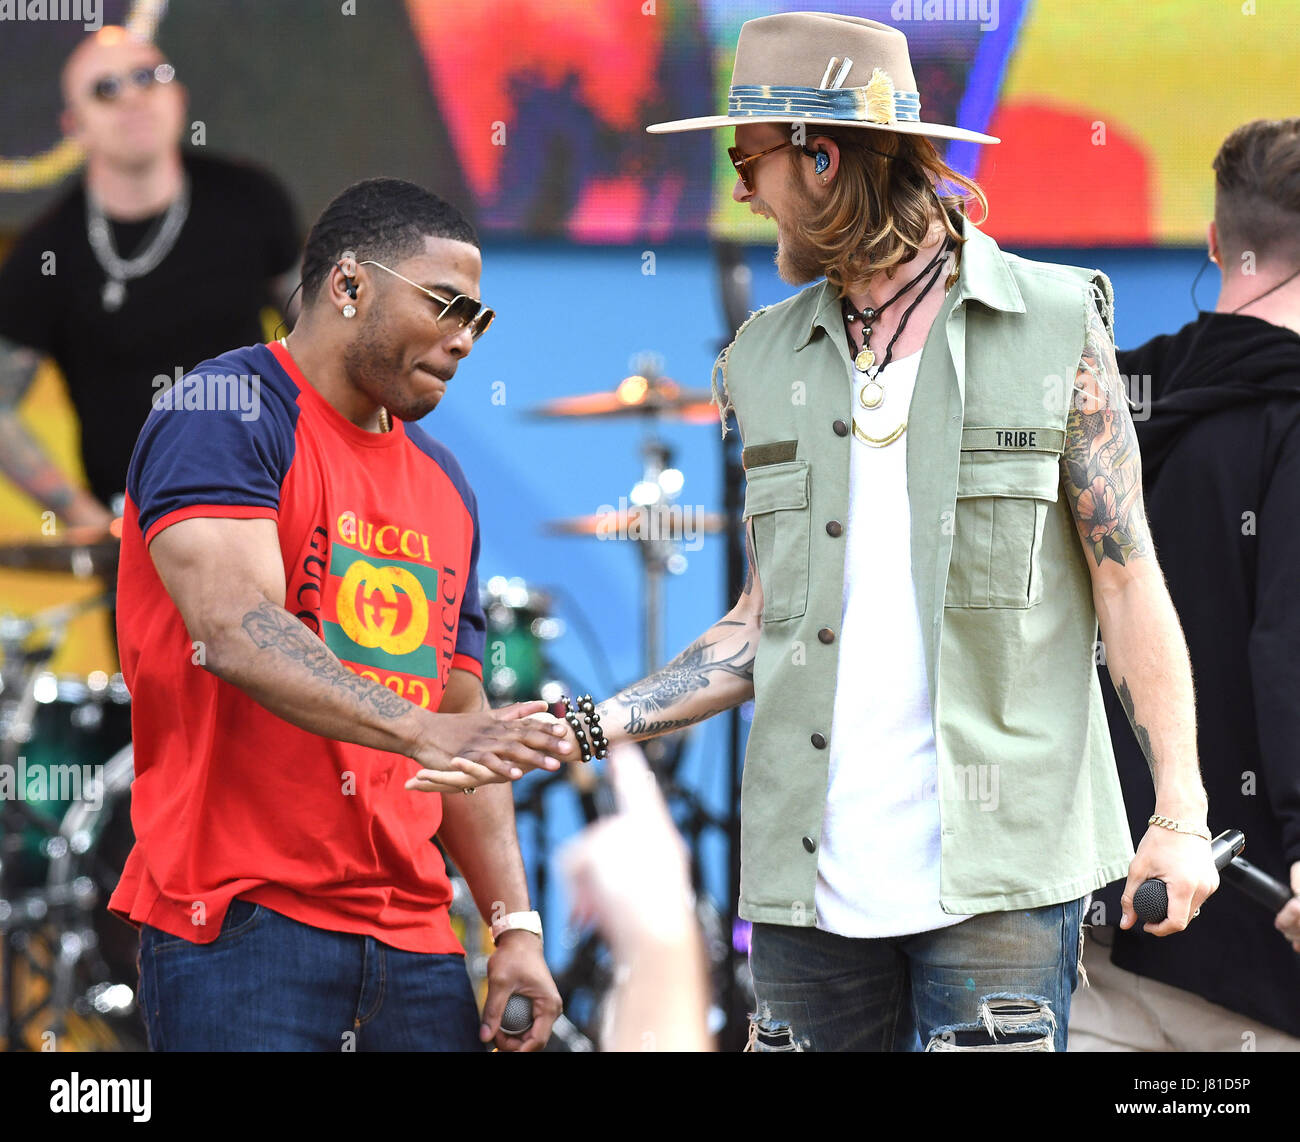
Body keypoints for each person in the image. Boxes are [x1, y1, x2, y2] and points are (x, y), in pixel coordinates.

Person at [424, 12, 1219, 1052]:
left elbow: (1127, 582)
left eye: (745, 159)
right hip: (809, 891)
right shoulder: (760, 358)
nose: (740, 190)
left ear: (822, 153)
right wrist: (583, 724)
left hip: (1000, 881)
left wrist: (1179, 813)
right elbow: (764, 622)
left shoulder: (1056, 322)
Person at [108, 177, 573, 1052]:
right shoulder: (225, 410)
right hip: (243, 925)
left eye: (480, 321)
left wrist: (514, 926)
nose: (464, 340)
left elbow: (463, 717)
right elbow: (235, 625)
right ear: (349, 285)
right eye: (446, 306)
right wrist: (417, 730)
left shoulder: (446, 484)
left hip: (417, 944)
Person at [1070, 118, 1300, 1052]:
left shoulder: (1111, 399)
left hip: (1096, 913)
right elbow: (1289, 646)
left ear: (1216, 243)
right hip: (1260, 935)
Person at [0, 26, 300, 529]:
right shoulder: (46, 251)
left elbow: (326, 335)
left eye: (149, 76)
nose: (133, 98)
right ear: (74, 125)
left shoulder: (250, 199)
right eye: (106, 89)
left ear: (178, 95)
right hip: (140, 536)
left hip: (272, 508)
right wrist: (83, 517)